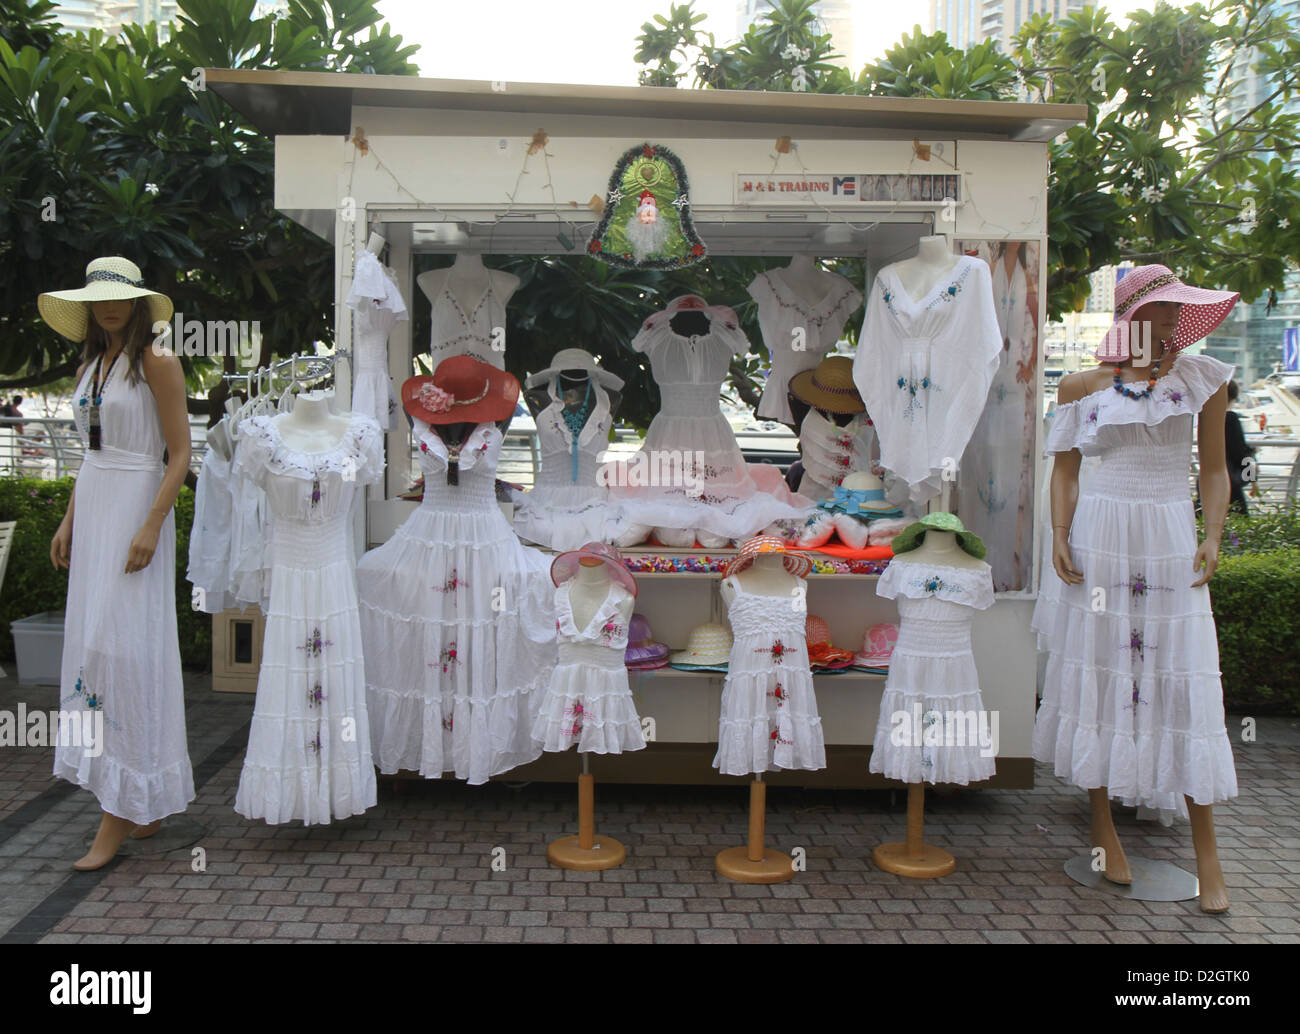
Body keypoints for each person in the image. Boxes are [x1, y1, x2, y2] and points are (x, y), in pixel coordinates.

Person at [1032, 263, 1241, 914]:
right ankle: (1101, 822)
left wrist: (1212, 534)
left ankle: (1208, 850)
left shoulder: (1203, 382)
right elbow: (1064, 473)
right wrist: (1060, 533)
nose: (1175, 324)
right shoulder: (1081, 387)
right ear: (1133, 321)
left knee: (1183, 676)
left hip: (1170, 535)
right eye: (1163, 313)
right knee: (1103, 670)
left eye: (1181, 313)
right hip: (1102, 535)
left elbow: (1214, 467)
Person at [39, 257, 195, 870]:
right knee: (94, 644)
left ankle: (121, 807)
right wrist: (69, 518)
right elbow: (90, 453)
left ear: (136, 303)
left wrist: (152, 523)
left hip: (137, 506)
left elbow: (180, 453)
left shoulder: (158, 362)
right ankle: (141, 801)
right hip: (98, 507)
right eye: (97, 298)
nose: (108, 307)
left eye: (118, 297)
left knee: (125, 647)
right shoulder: (91, 366)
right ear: (85, 307)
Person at [1224, 380, 1254, 514]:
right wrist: (1252, 477)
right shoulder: (1230, 418)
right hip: (1229, 480)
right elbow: (1239, 451)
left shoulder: (1204, 418)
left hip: (1207, 481)